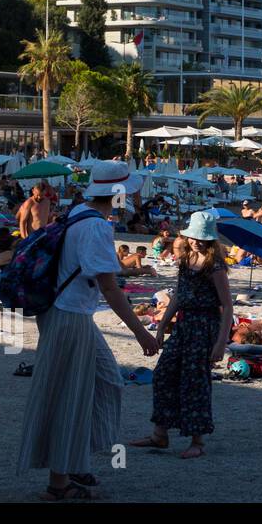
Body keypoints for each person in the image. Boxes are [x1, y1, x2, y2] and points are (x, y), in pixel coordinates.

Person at [18, 161, 160, 500]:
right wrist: (141, 332)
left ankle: (75, 459)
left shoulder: (79, 212)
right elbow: (109, 287)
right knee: (70, 397)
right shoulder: (96, 226)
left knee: (107, 380)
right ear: (116, 193)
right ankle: (59, 484)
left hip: (67, 310)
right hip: (71, 316)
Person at [130, 212, 232, 460]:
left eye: (201, 237)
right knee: (164, 374)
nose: (196, 241)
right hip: (183, 325)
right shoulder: (186, 259)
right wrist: (163, 325)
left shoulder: (214, 266)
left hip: (204, 326)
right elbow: (178, 295)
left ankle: (197, 441)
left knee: (195, 382)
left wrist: (220, 343)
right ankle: (160, 433)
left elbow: (227, 307)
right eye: (193, 236)